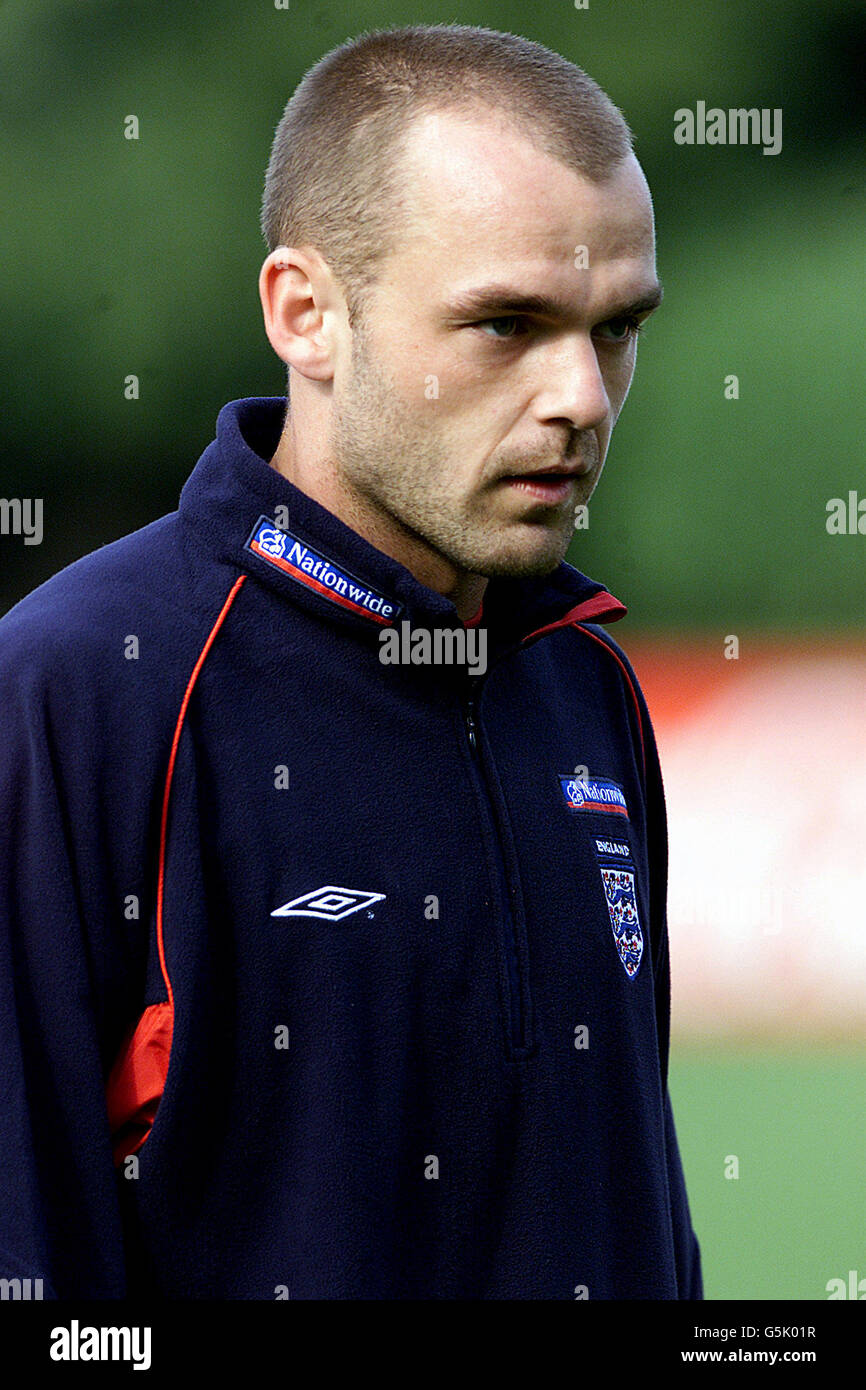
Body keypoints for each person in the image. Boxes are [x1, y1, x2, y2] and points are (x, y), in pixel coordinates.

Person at [0, 23, 702, 1300]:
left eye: (613, 328)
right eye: (505, 323)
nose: (582, 398)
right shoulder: (74, 690)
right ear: (305, 313)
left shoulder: (583, 679)